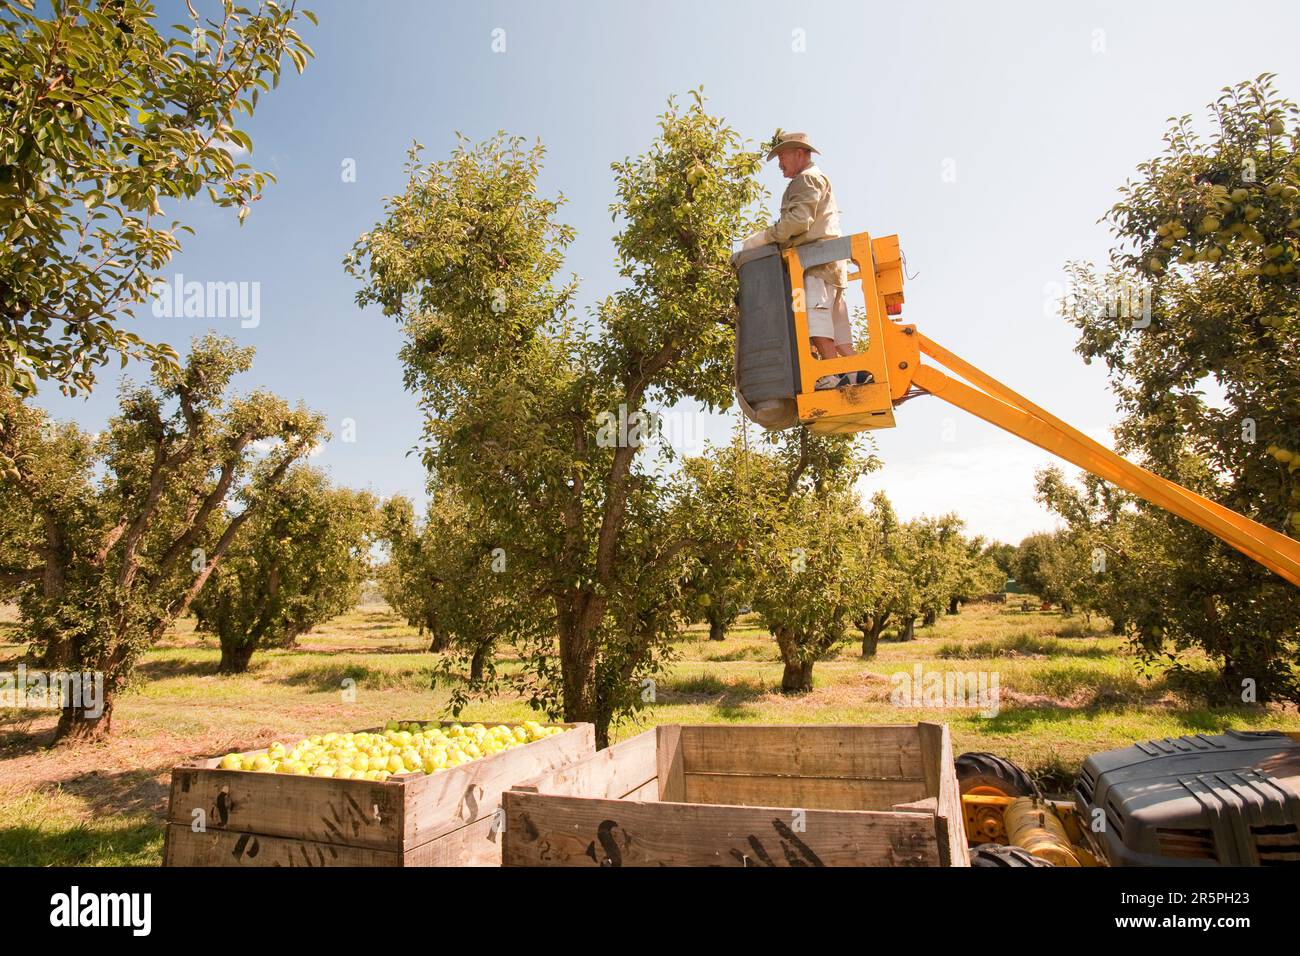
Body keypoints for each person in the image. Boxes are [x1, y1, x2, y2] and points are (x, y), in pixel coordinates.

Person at [742, 131, 868, 390]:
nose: (779, 164)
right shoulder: (816, 178)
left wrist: (764, 238)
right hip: (830, 266)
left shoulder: (806, 179)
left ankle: (832, 375)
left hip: (813, 265)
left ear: (799, 153)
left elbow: (798, 222)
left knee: (815, 322)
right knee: (837, 327)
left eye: (782, 156)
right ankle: (857, 373)